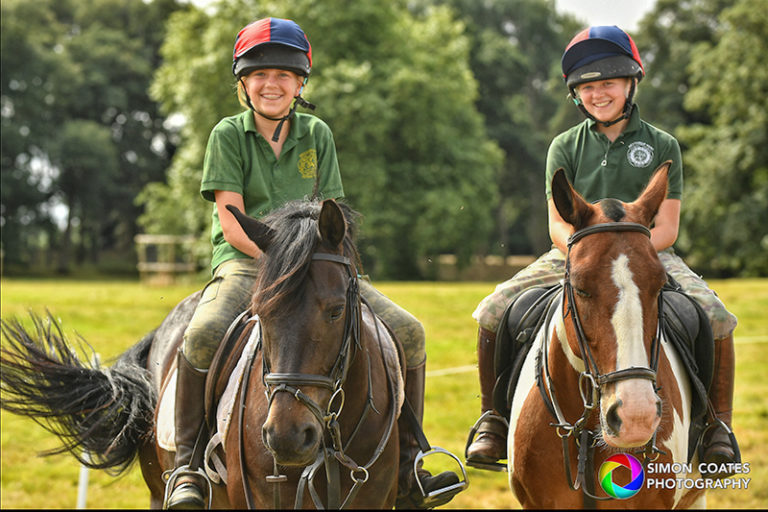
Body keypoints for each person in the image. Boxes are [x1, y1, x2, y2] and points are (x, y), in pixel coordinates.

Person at [163, 17, 460, 509]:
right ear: (243, 84)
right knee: (201, 334)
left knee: (409, 332)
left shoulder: (317, 134)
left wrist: (317, 262)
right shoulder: (227, 135)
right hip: (247, 263)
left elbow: (332, 216)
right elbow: (233, 221)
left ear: (300, 83)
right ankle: (188, 468)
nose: (271, 84)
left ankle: (410, 460)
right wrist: (285, 262)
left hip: (319, 265)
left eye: (283, 75)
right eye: (259, 75)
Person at [465, 25, 738, 479]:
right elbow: (557, 221)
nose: (598, 94)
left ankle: (718, 428)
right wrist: (585, 252)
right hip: (576, 254)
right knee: (492, 309)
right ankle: (492, 419)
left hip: (647, 256)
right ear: (576, 95)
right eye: (587, 88)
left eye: (608, 83)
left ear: (631, 84)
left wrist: (627, 254)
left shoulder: (662, 145)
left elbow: (666, 226)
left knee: (715, 315)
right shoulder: (564, 146)